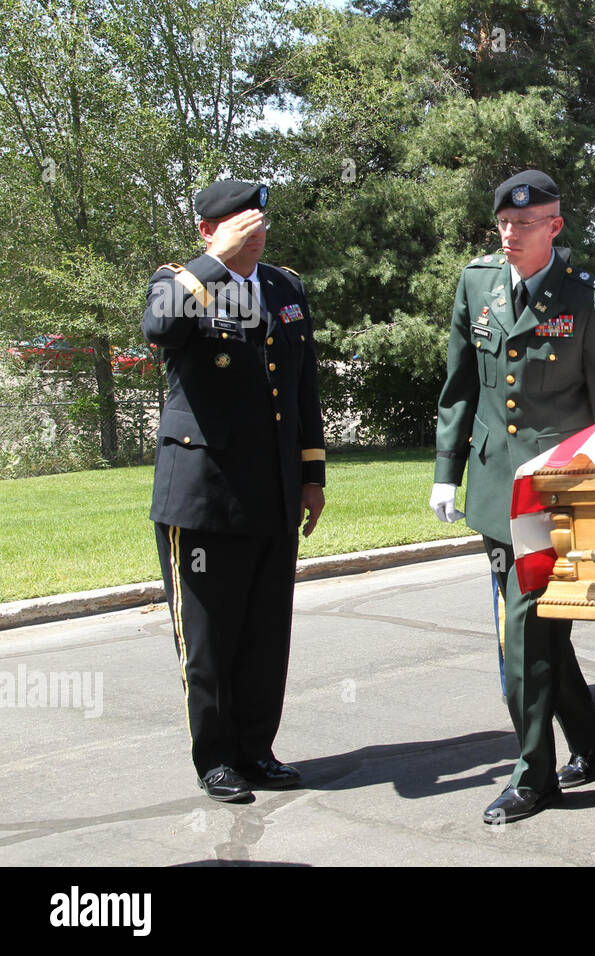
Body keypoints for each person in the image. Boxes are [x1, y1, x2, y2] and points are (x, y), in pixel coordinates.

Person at [431, 171, 595, 822]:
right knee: (536, 631)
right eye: (504, 224)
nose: (511, 235)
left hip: (552, 493)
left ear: (555, 227)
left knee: (521, 631)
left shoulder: (587, 298)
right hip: (495, 486)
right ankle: (592, 736)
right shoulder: (477, 283)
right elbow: (460, 384)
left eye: (525, 224)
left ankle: (534, 776)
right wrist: (446, 469)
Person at [142, 180, 325, 802]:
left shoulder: (284, 287)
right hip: (205, 496)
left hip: (273, 491)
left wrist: (311, 475)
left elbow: (302, 388)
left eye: (260, 222)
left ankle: (256, 749)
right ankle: (216, 758)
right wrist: (215, 262)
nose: (256, 233)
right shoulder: (178, 283)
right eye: (241, 224)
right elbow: (159, 328)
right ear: (207, 229)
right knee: (209, 637)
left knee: (266, 632)